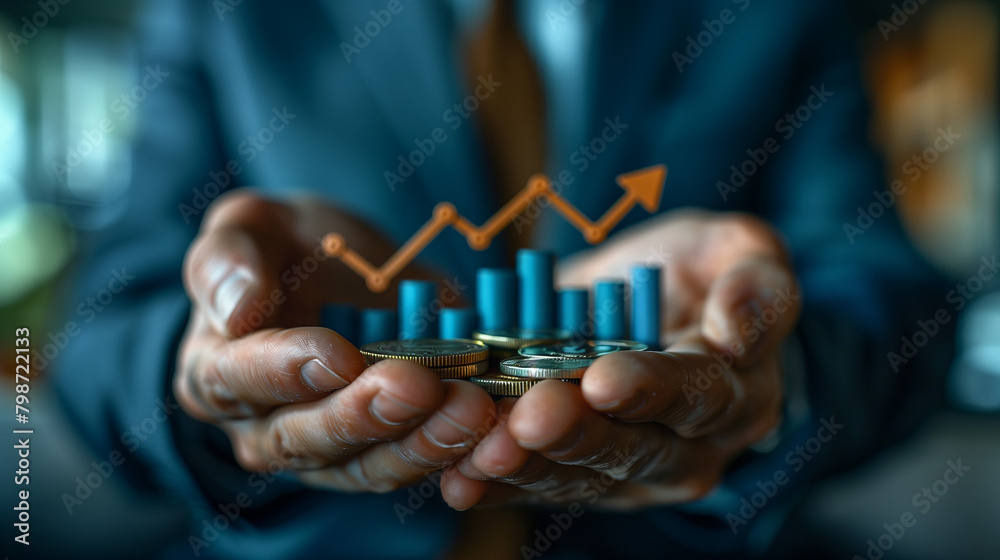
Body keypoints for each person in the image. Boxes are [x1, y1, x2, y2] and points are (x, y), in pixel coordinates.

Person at [53, 0, 953, 558]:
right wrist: (215, 381)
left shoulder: (774, 12)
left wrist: (772, 379)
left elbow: (895, 297)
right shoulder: (223, 10)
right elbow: (96, 334)